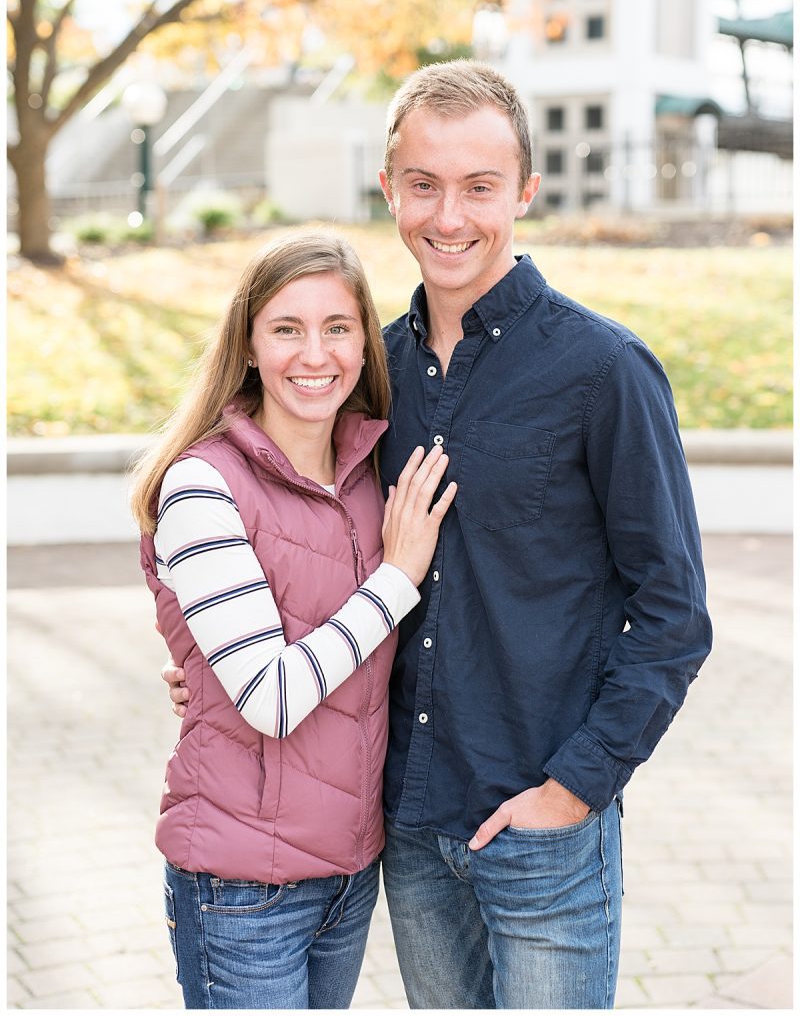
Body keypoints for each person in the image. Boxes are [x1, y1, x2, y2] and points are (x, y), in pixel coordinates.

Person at [165, 60, 712, 1009]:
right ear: (390, 190)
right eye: (423, 184)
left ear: (527, 193)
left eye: (479, 187)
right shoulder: (368, 374)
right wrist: (217, 659)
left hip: (542, 827)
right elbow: (307, 543)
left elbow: (674, 611)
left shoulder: (605, 371)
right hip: (409, 830)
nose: (448, 215)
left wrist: (575, 790)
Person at [130, 231, 457, 1009]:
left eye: (337, 327)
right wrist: (397, 576)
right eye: (287, 328)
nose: (316, 354)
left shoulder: (368, 472)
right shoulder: (203, 484)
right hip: (243, 887)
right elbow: (271, 698)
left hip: (348, 873)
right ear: (247, 343)